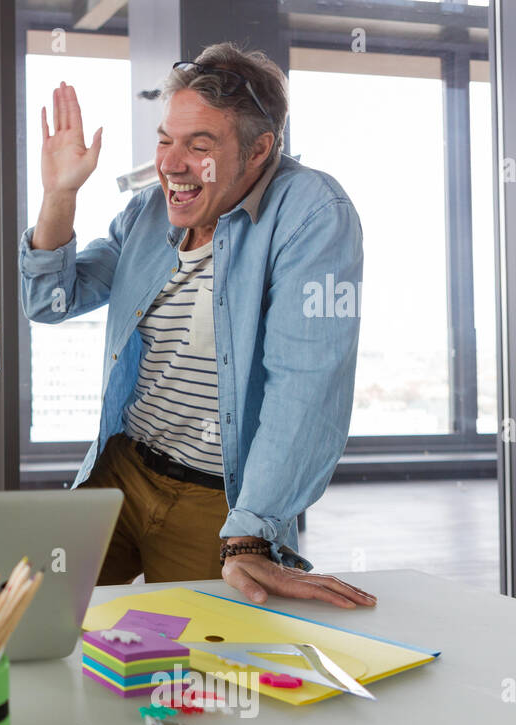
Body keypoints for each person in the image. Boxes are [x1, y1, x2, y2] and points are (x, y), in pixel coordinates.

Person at [20, 43, 375, 610]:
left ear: (259, 150)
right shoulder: (148, 210)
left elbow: (306, 385)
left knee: (196, 671)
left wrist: (250, 534)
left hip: (218, 501)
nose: (171, 164)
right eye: (165, 140)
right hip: (123, 469)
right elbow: (50, 299)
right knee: (42, 617)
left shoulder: (313, 212)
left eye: (199, 146)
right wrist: (60, 193)